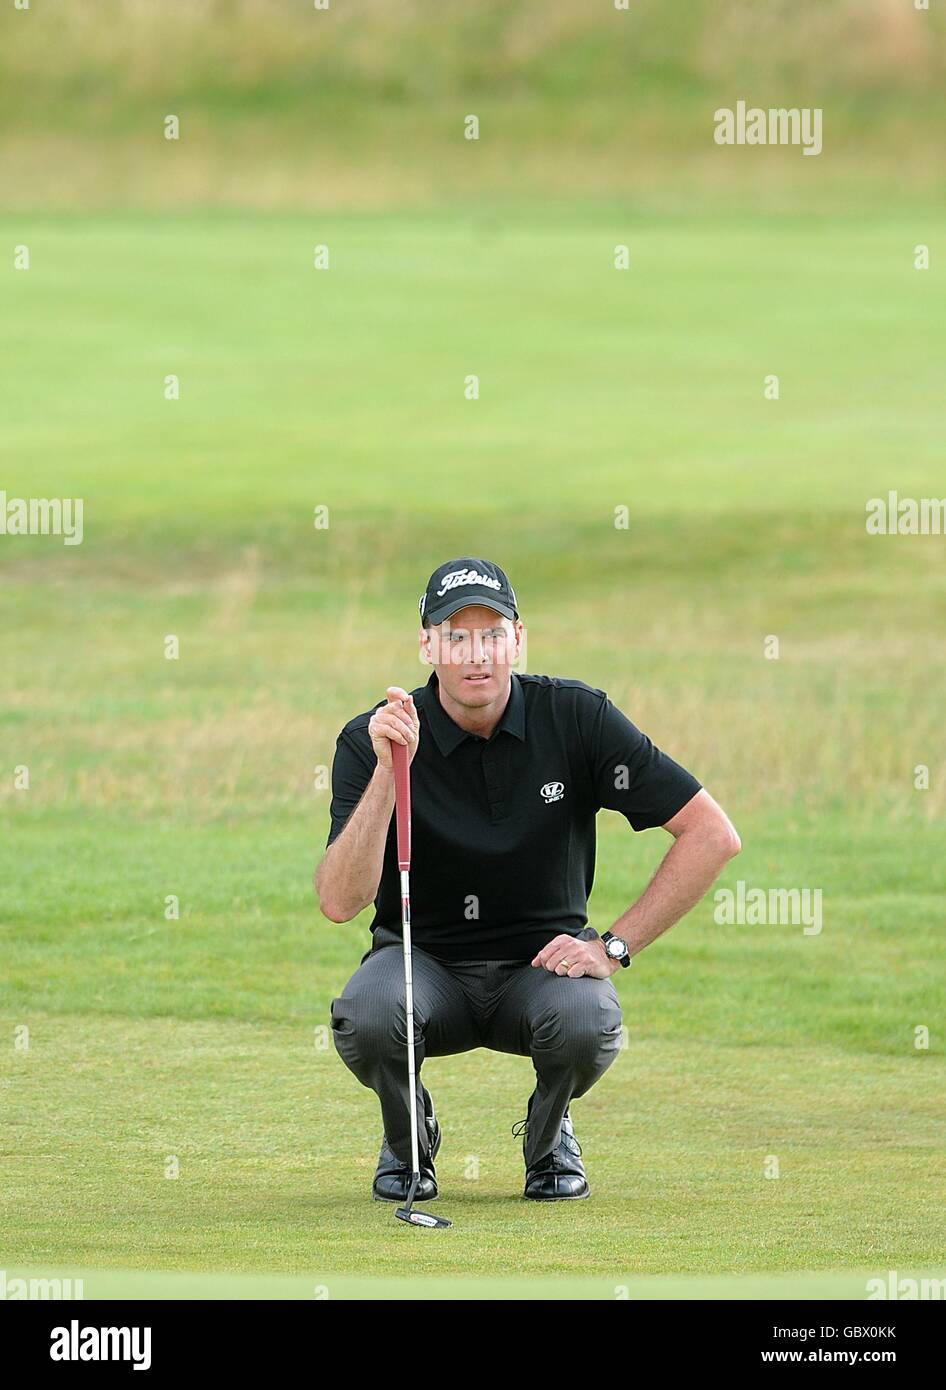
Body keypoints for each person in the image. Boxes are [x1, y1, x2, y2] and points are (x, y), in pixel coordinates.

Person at [315, 557, 740, 1201]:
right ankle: (408, 1142)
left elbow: (712, 834)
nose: (475, 654)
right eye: (455, 636)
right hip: (419, 964)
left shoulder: (575, 718)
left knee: (588, 1019)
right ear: (427, 645)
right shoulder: (372, 738)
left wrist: (613, 947)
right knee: (367, 1015)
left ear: (518, 639)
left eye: (491, 634)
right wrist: (386, 773)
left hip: (542, 971)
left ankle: (548, 1141)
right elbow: (339, 902)